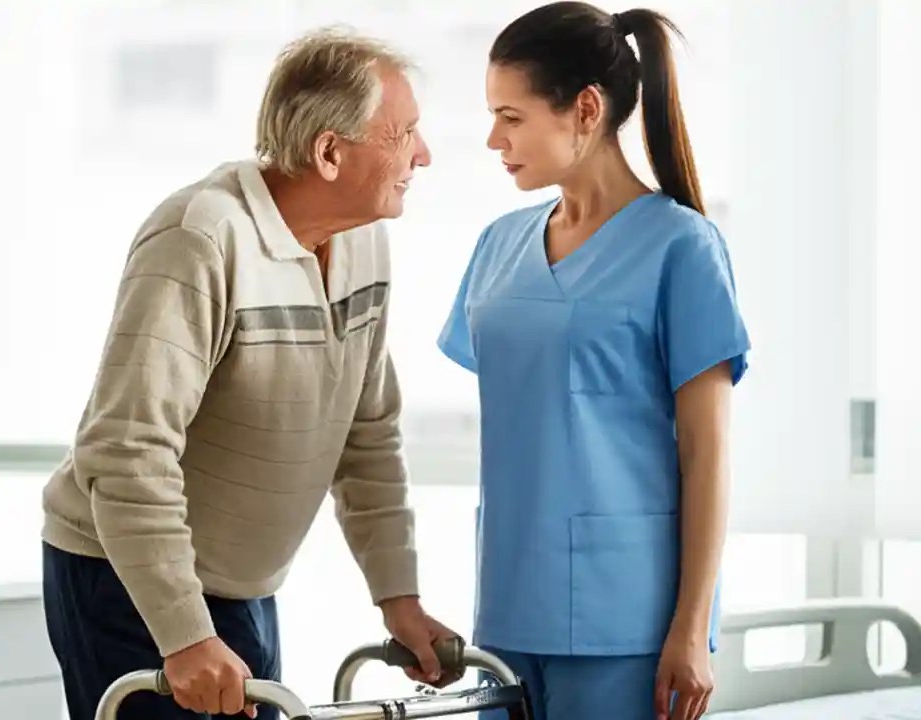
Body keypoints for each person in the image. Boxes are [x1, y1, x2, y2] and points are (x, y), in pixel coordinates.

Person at [41, 27, 457, 720]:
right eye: (403, 134)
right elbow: (126, 450)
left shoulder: (364, 242)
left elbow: (368, 433)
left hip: (244, 585)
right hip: (127, 582)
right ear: (330, 151)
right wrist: (185, 633)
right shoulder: (199, 238)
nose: (424, 154)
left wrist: (399, 600)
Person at [437, 3, 751, 720]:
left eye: (511, 117)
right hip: (509, 605)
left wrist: (691, 629)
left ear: (584, 109)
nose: (493, 138)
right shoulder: (499, 245)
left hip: (626, 620)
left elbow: (707, 453)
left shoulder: (682, 247)